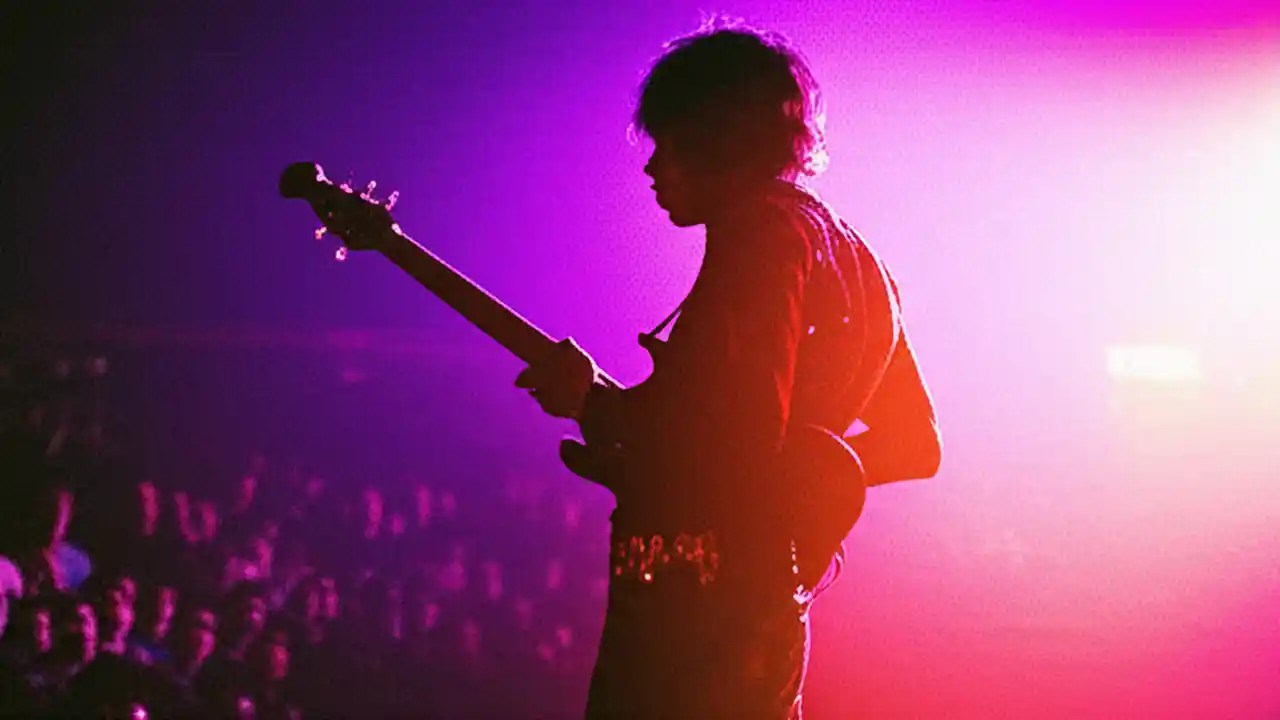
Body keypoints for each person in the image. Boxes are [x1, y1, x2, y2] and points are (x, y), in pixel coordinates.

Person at [515, 19, 941, 718]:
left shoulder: (761, 233)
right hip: (766, 606)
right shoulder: (864, 261)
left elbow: (735, 442)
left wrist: (591, 405)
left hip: (691, 613)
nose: (652, 167)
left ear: (719, 136)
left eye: (671, 142)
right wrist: (806, 481)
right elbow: (915, 446)